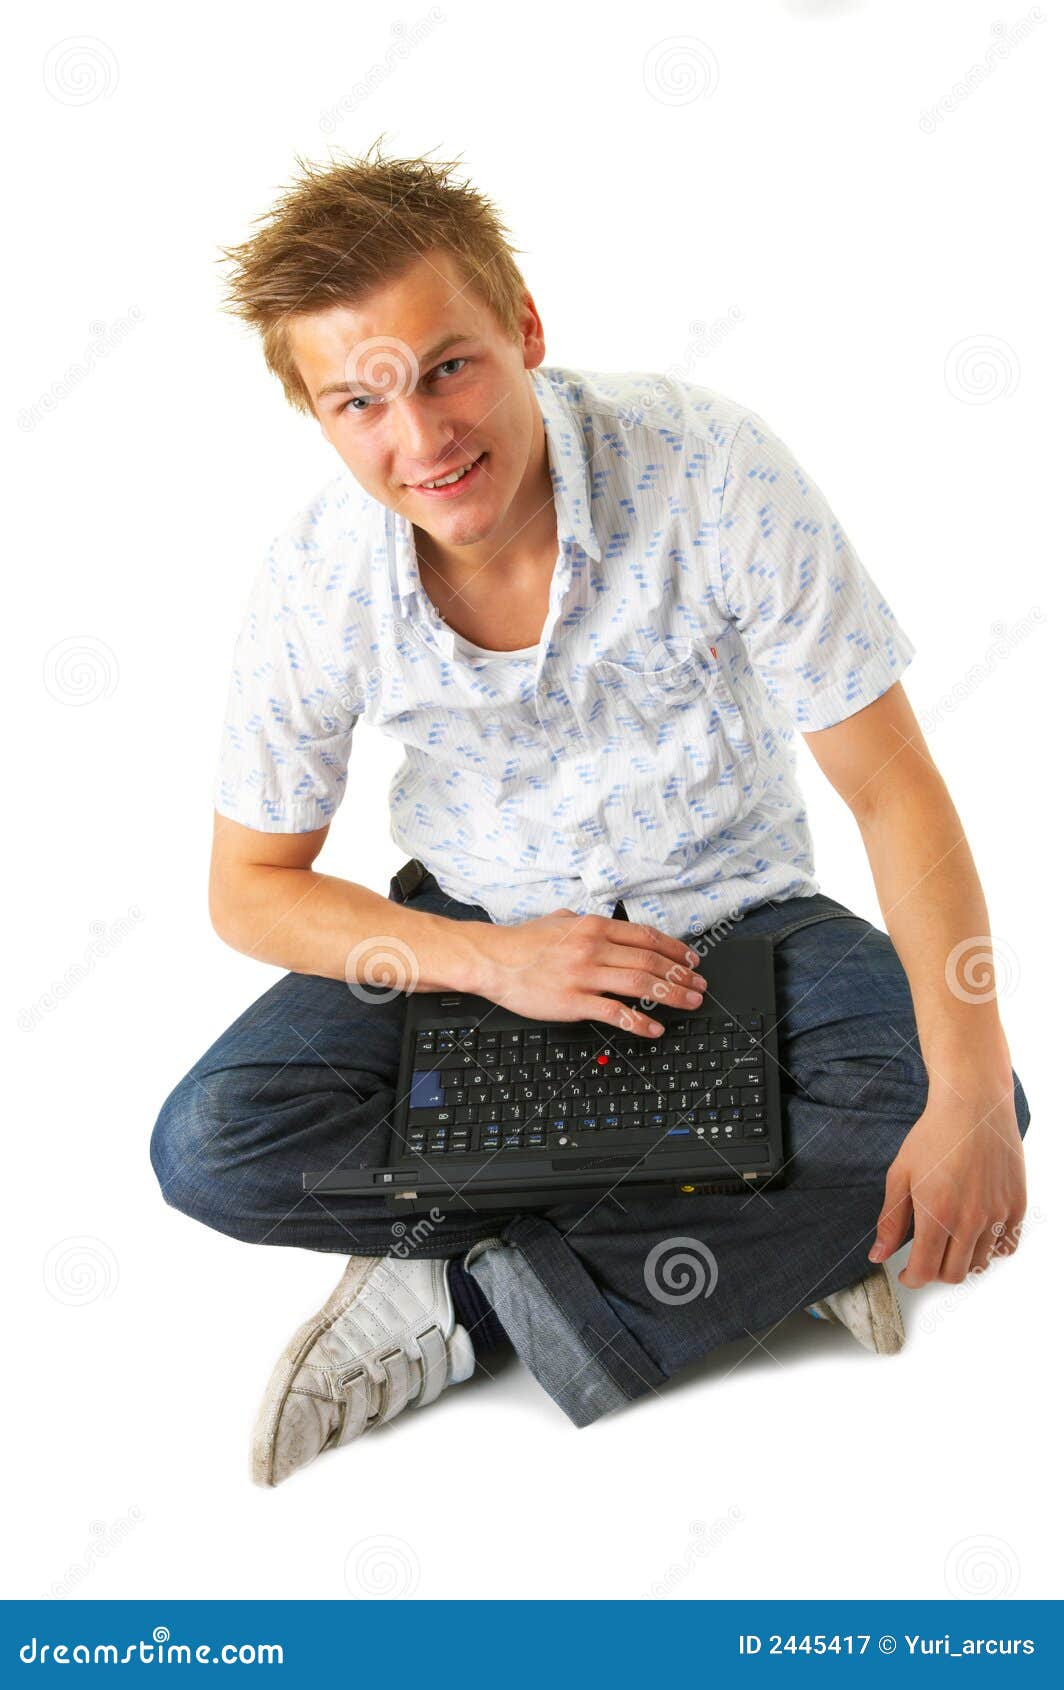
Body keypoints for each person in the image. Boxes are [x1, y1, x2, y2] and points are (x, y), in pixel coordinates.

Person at [150, 141, 1031, 1487]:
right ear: (320, 418)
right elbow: (250, 885)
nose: (423, 438)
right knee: (214, 1138)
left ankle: (457, 1302)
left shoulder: (714, 467)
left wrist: (967, 1094)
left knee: (965, 1094)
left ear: (525, 329)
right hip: (472, 937)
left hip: (744, 925)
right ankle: (766, 1237)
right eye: (361, 401)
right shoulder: (316, 580)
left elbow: (891, 784)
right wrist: (500, 958)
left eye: (449, 366)